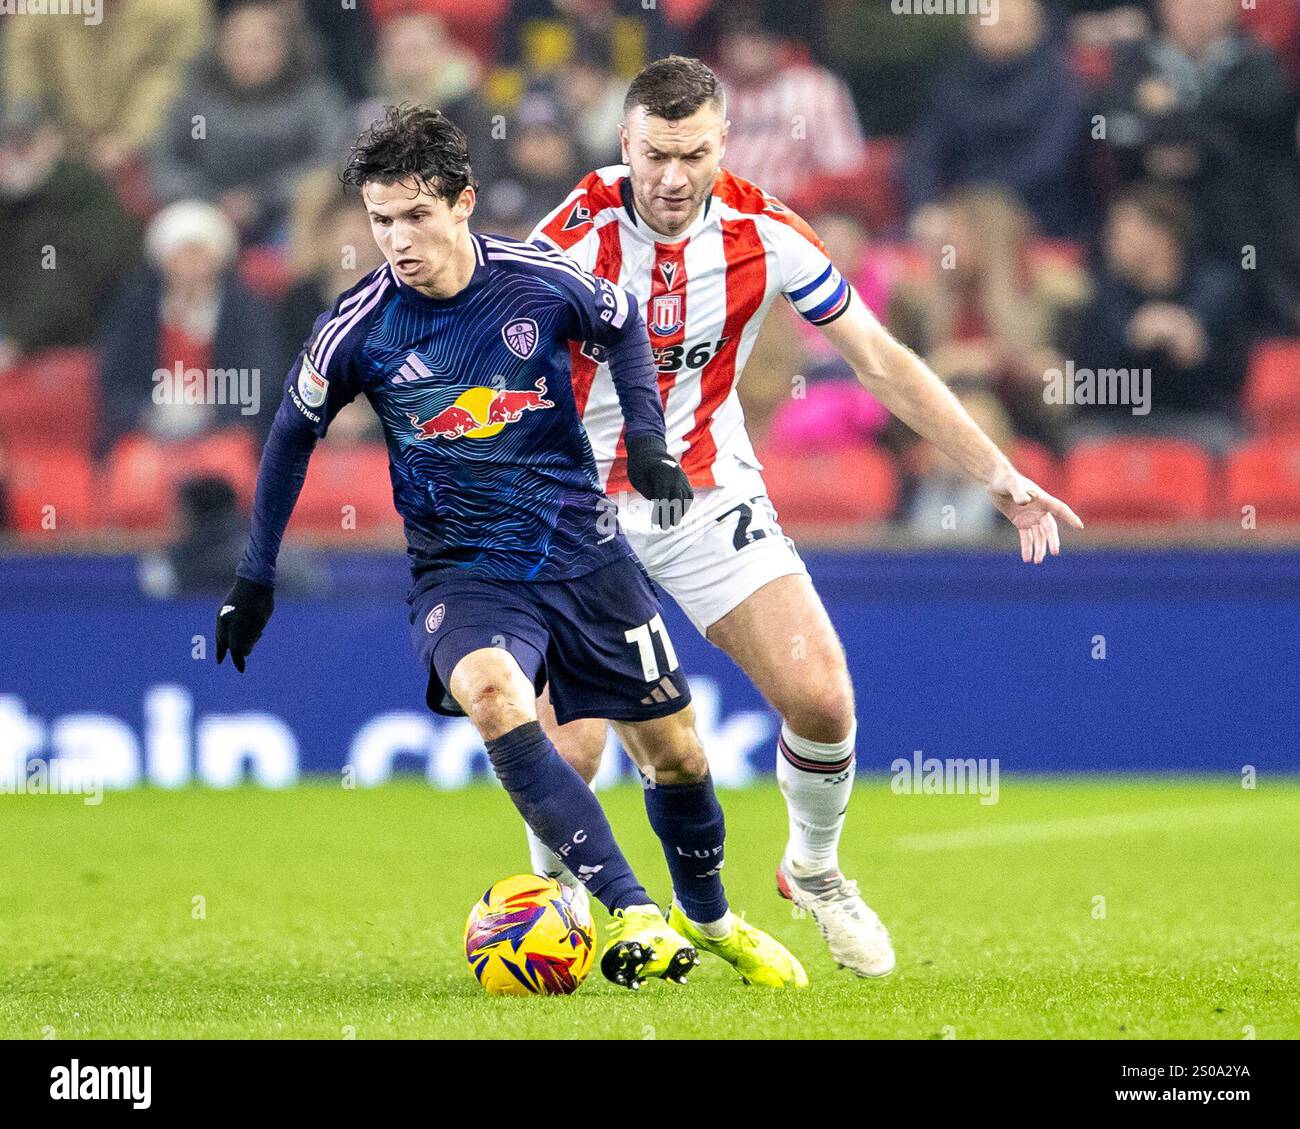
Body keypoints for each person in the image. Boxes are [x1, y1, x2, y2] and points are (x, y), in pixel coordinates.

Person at [214, 105, 806, 991]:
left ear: (462, 204)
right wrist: (254, 574)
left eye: (415, 215)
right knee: (494, 694)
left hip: (586, 556)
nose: (398, 240)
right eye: (381, 221)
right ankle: (633, 911)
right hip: (463, 571)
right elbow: (289, 437)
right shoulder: (357, 327)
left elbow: (623, 324)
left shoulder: (537, 281)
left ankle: (709, 914)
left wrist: (647, 441)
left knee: (677, 753)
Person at [527, 56, 1085, 977]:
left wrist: (995, 470)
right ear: (625, 143)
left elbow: (879, 358)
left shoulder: (767, 231)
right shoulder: (567, 242)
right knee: (572, 744)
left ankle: (814, 869)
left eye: (693, 154)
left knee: (822, 697)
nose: (673, 178)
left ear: (723, 145)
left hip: (706, 489)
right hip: (580, 502)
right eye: (656, 154)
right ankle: (561, 902)